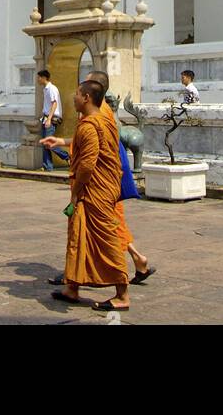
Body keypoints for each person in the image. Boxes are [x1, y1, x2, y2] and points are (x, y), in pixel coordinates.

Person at [40, 70, 154, 285]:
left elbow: (90, 155)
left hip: (100, 181)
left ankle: (118, 284)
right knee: (107, 223)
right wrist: (62, 142)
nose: (76, 94)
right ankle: (132, 261)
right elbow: (88, 141)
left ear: (90, 91)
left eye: (81, 89)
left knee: (107, 227)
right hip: (107, 179)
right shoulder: (98, 114)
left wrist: (77, 190)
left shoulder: (98, 114)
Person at [50, 81, 130, 312]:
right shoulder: (104, 120)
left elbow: (87, 164)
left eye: (76, 94)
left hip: (94, 191)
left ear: (86, 98)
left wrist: (75, 193)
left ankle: (123, 294)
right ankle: (72, 287)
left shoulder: (91, 125)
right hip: (99, 188)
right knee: (78, 235)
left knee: (106, 239)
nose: (73, 97)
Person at [38, 69, 62, 172]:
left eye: (39, 77)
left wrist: (49, 119)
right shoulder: (46, 89)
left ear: (44, 77)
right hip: (46, 118)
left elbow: (54, 103)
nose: (38, 80)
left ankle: (66, 156)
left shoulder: (52, 89)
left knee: (48, 142)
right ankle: (48, 166)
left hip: (51, 119)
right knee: (45, 143)